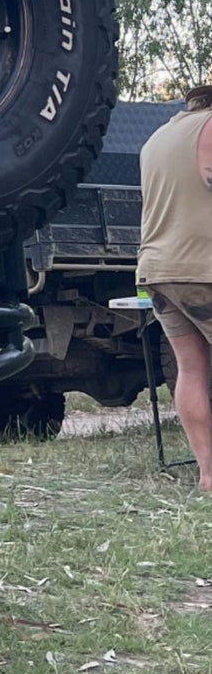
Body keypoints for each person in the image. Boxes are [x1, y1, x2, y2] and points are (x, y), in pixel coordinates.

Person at [139, 83, 212, 491]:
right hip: (204, 266)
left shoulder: (157, 138)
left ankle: (208, 475)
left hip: (159, 270)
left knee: (192, 369)